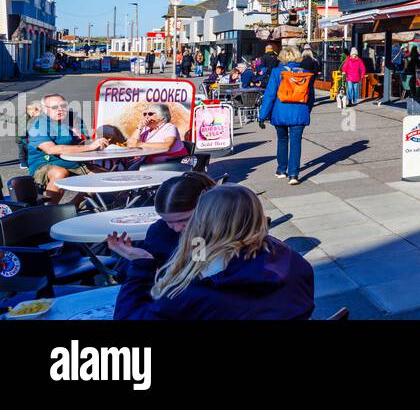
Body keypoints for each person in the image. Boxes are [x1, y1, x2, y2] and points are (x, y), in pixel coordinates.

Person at [112, 184, 315, 320]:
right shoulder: (295, 262)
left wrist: (141, 264)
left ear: (203, 221)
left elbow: (127, 317)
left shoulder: (197, 294)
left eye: (186, 220)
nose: (175, 229)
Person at [107, 170, 218, 266]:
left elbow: (197, 281)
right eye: (168, 221)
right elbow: (127, 278)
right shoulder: (160, 230)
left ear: (207, 207)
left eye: (184, 220)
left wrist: (145, 264)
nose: (177, 228)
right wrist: (131, 257)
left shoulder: (208, 236)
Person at [26, 93, 108, 200]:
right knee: (60, 173)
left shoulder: (73, 119)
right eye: (55, 107)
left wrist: (97, 143)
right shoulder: (37, 126)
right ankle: (49, 211)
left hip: (74, 162)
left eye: (63, 106)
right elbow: (51, 150)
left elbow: (84, 142)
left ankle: (73, 206)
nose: (60, 110)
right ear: (45, 109)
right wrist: (89, 147)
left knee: (104, 177)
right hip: (45, 163)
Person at [258, 43, 314, 185]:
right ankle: (294, 174)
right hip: (299, 111)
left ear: (283, 57)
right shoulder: (305, 73)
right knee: (296, 143)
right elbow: (311, 97)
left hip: (280, 111)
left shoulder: (277, 72)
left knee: (282, 140)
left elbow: (270, 95)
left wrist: (262, 115)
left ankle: (282, 170)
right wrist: (307, 110)